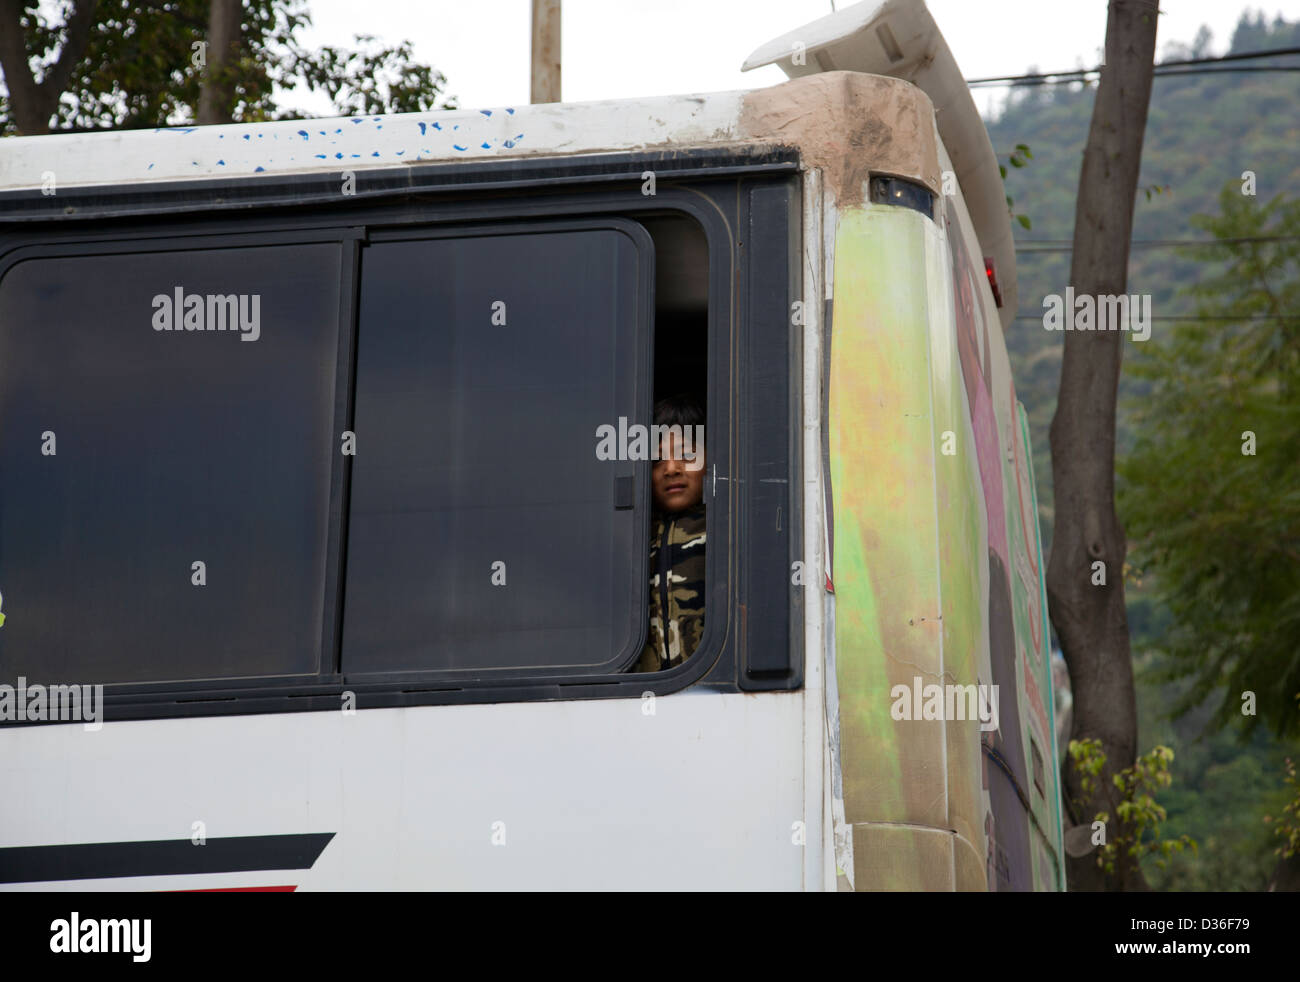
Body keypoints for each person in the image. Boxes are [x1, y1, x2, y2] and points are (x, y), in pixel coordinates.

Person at [631, 394, 706, 673]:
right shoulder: (634, 536)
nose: (672, 468)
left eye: (686, 455)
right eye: (657, 459)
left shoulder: (725, 530)